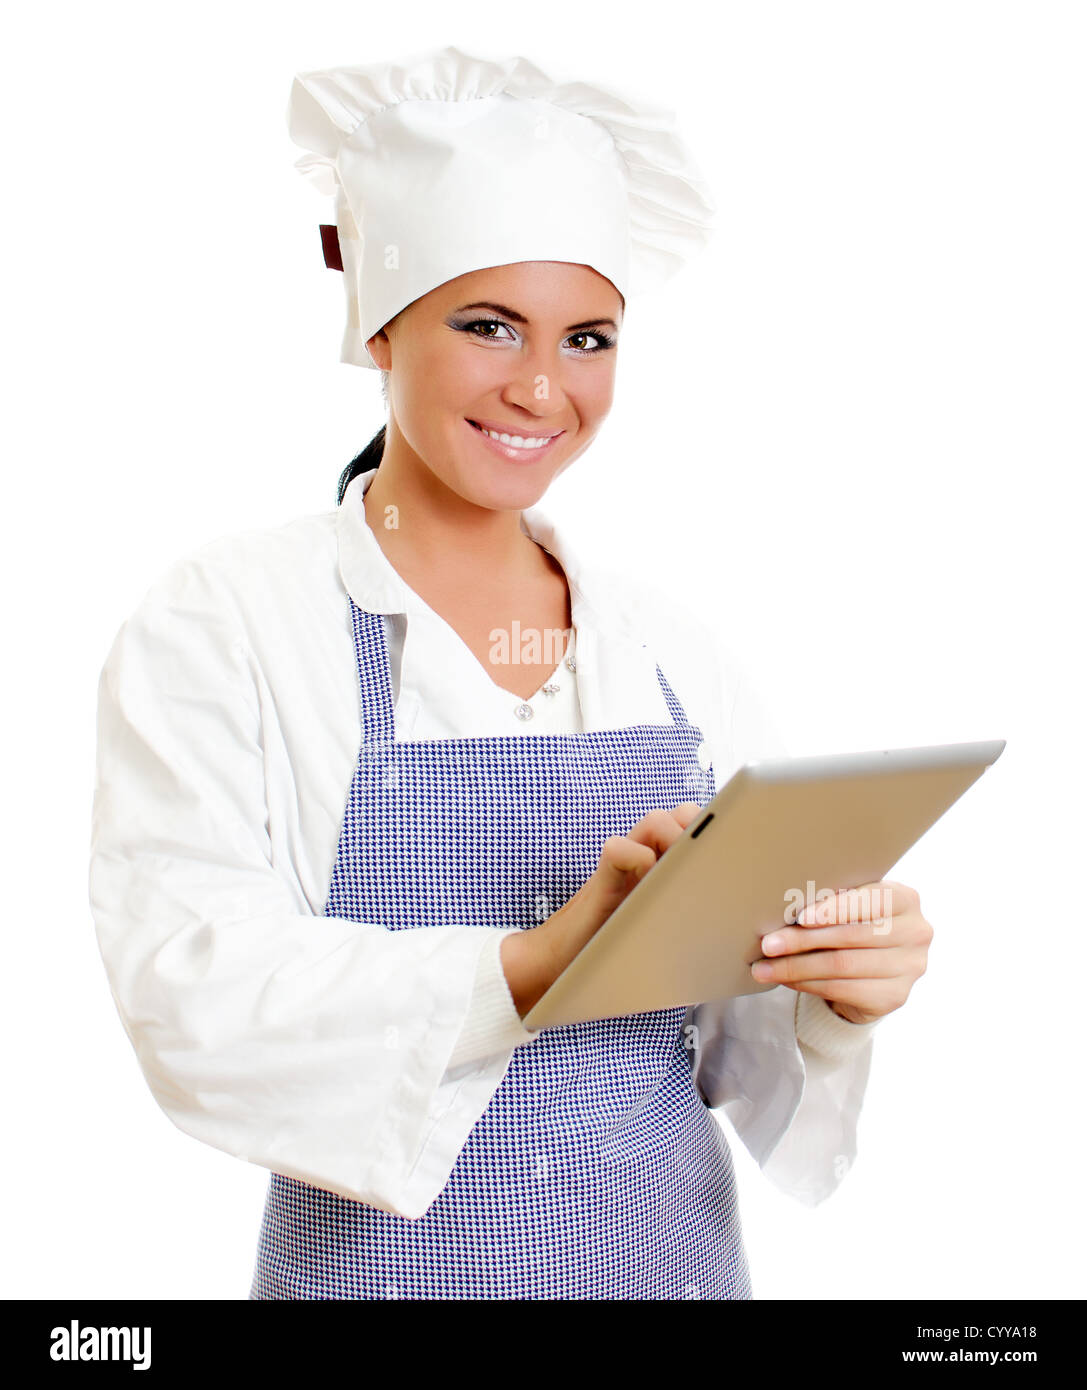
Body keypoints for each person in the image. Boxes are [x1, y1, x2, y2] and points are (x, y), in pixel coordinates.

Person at [88, 45, 933, 1301]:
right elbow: (190, 994)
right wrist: (536, 958)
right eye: (487, 325)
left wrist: (842, 991)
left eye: (586, 337)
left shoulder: (670, 653)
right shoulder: (228, 622)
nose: (542, 387)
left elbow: (735, 1053)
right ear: (377, 320)